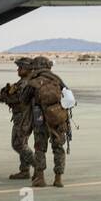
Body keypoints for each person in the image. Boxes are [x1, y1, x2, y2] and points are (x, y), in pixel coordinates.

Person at [25, 55, 70, 188]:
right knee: (58, 147)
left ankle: (40, 177)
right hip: (58, 117)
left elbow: (24, 99)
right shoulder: (57, 80)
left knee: (40, 148)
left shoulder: (33, 81)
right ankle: (58, 178)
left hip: (40, 119)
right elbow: (69, 98)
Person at [0, 56, 36, 179]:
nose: (18, 70)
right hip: (20, 117)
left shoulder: (26, 83)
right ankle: (25, 171)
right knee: (21, 143)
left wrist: (6, 97)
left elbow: (20, 100)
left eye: (21, 67)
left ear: (27, 69)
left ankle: (38, 166)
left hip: (23, 117)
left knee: (18, 144)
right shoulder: (23, 82)